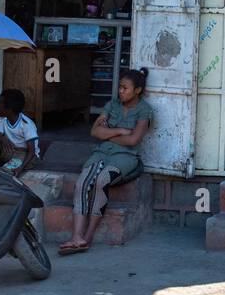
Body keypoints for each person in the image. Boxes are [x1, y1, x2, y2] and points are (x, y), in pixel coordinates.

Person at [59, 68, 154, 256]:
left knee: (101, 181)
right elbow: (95, 132)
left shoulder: (145, 110)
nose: (121, 91)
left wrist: (108, 133)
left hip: (126, 157)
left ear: (137, 91)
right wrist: (120, 131)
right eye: (120, 87)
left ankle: (87, 236)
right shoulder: (112, 105)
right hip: (101, 152)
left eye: (125, 88)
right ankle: (76, 236)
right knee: (82, 183)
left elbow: (133, 141)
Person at [0, 88, 39, 176]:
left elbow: (32, 151)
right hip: (10, 151)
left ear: (9, 110)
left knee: (7, 172)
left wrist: (20, 168)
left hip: (25, 154)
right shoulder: (2, 118)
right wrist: (3, 138)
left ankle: (2, 173)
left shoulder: (26, 124)